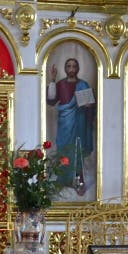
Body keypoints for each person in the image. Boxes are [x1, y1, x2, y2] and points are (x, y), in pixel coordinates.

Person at [46, 58, 95, 188]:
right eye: (69, 66)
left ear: (77, 69)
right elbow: (51, 100)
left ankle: (78, 178)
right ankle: (63, 178)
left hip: (79, 121)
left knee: (77, 148)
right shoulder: (60, 84)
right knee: (64, 147)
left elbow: (90, 106)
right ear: (65, 69)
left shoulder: (83, 84)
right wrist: (52, 79)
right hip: (65, 122)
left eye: (74, 66)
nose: (71, 69)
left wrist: (89, 106)